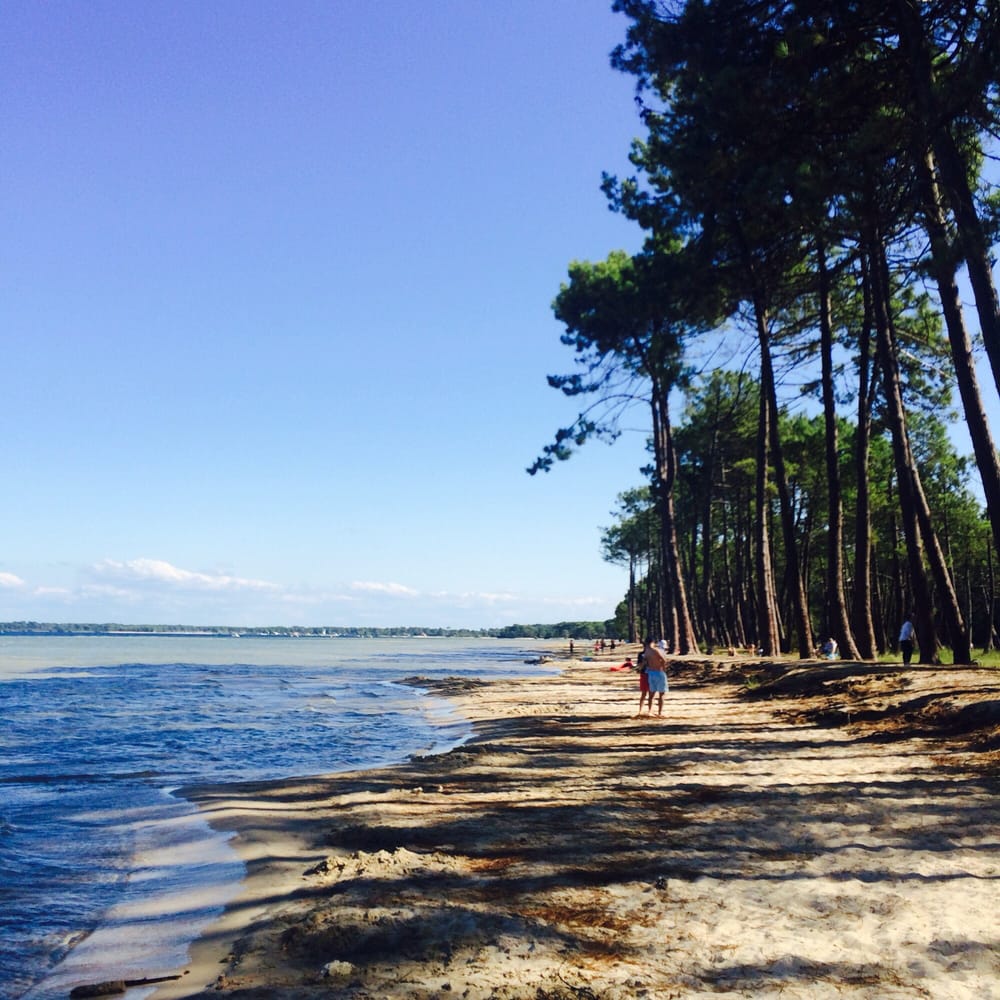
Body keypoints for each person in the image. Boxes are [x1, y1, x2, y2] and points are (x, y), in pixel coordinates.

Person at [640, 636, 669, 717]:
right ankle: (660, 712)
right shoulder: (655, 650)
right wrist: (663, 669)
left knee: (651, 694)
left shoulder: (646, 652)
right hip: (659, 672)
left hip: (651, 673)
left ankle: (650, 711)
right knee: (662, 694)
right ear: (652, 642)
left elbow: (644, 663)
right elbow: (663, 660)